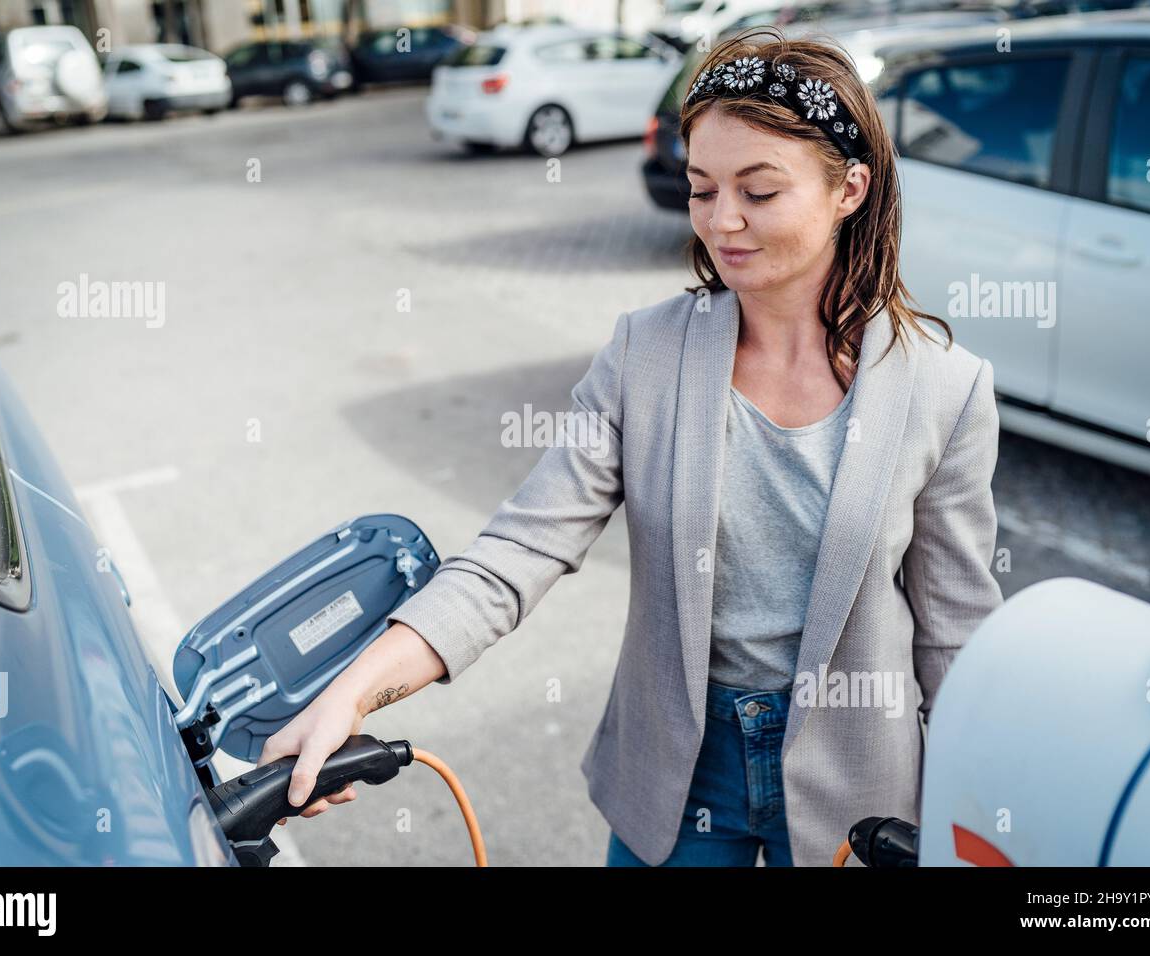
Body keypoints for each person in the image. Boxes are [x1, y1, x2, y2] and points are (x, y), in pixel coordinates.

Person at [257, 27, 1004, 866]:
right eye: (701, 188)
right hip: (680, 774)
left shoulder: (946, 389)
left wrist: (987, 814)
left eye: (759, 191)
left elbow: (955, 637)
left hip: (860, 788)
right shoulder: (645, 355)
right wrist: (352, 694)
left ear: (850, 189)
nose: (724, 221)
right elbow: (518, 551)